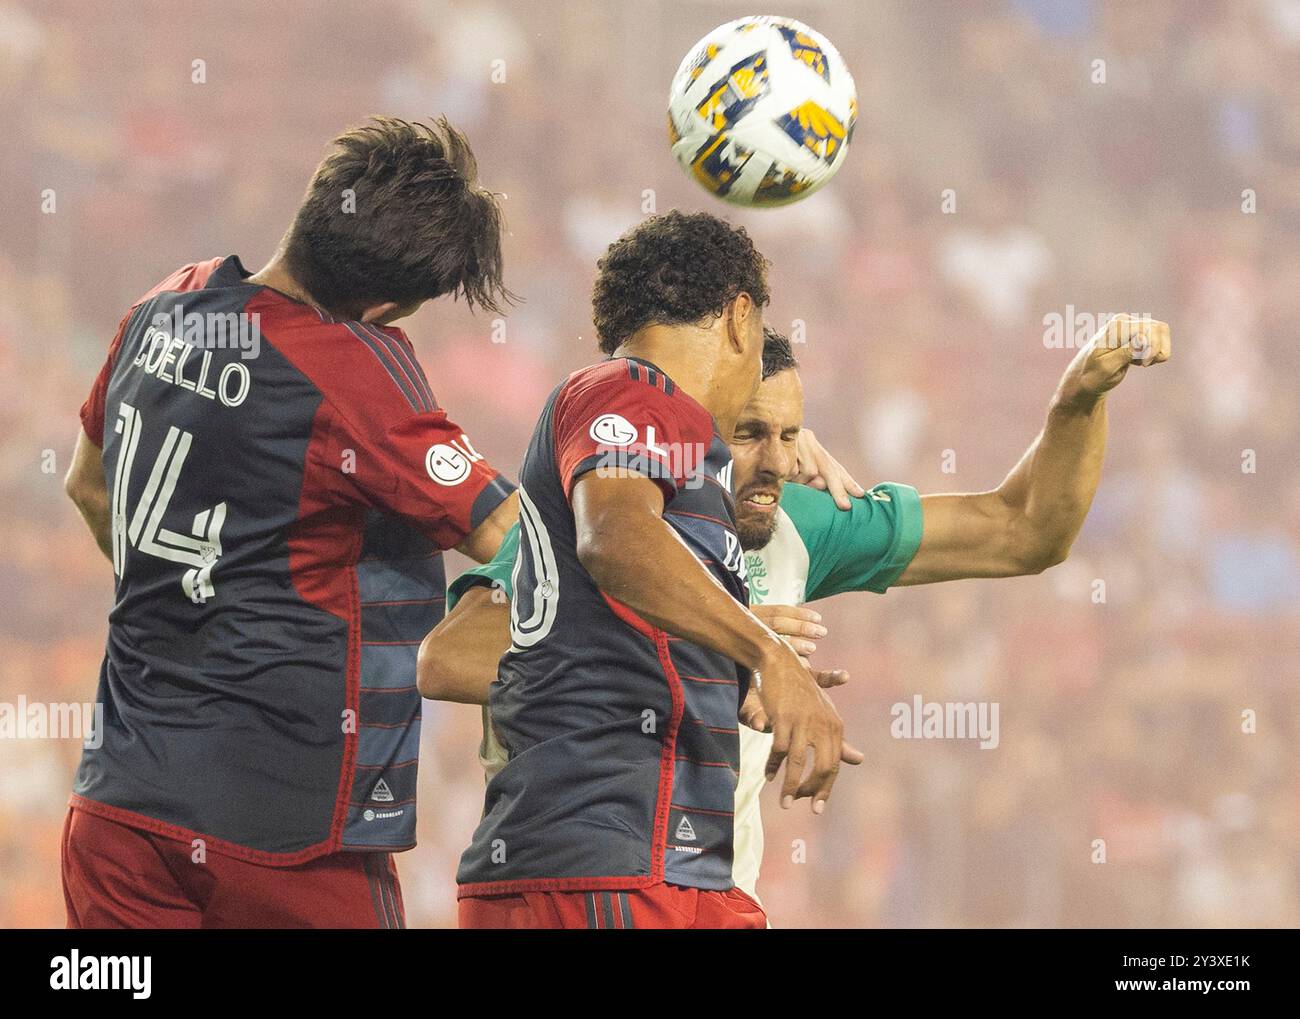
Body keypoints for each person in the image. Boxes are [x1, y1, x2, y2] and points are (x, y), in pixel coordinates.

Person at [424, 314, 1171, 918]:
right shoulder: (602, 510)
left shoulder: (796, 525)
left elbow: (1024, 531)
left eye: (791, 434)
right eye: (749, 434)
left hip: (712, 895)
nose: (777, 462)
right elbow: (450, 656)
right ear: (695, 425)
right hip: (581, 877)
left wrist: (1075, 401)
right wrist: (719, 647)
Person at [61, 117, 518, 929]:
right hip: (285, 835)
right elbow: (511, 537)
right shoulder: (351, 365)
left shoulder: (168, 302)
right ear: (383, 304)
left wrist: (198, 611)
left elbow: (88, 487)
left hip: (117, 811)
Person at [453, 211, 858, 929]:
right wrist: (767, 654)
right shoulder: (632, 390)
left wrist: (731, 676)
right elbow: (612, 537)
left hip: (658, 865)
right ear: (739, 318)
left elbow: (613, 608)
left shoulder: (679, 446)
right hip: (603, 859)